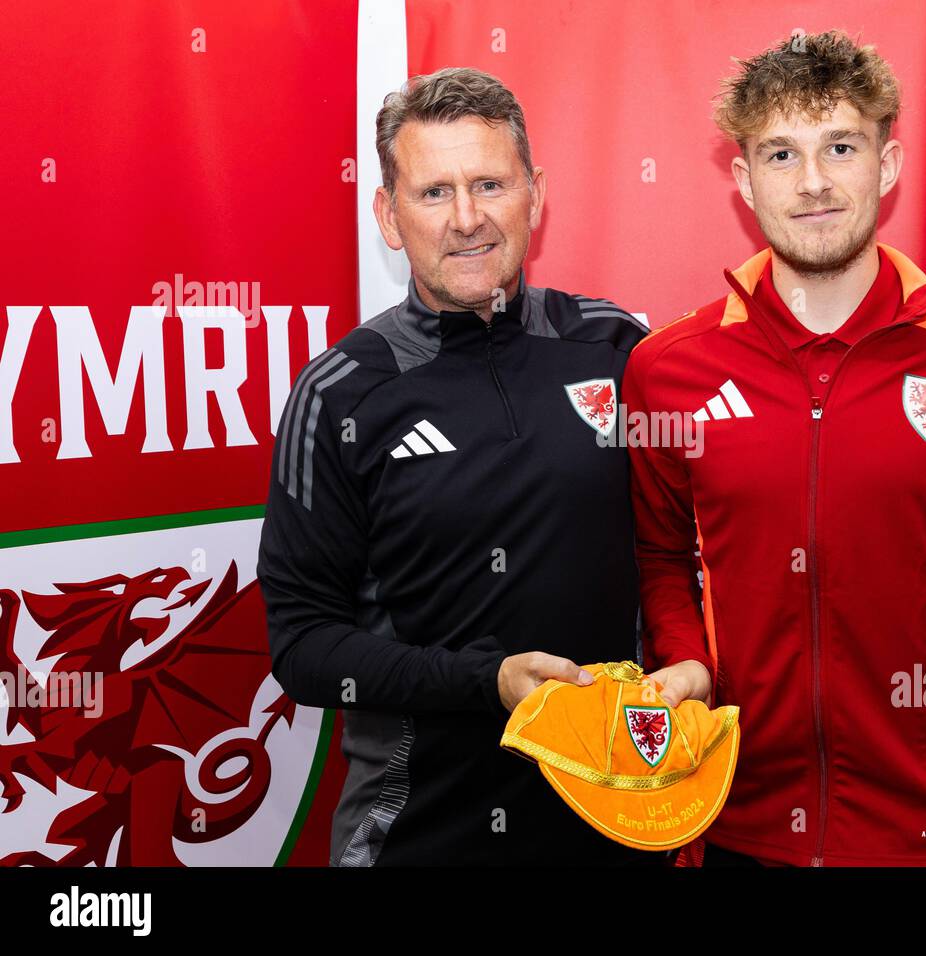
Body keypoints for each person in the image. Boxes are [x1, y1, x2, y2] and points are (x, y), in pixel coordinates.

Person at [624, 31, 926, 866]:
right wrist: (689, 662)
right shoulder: (667, 370)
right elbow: (661, 556)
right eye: (779, 154)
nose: (811, 183)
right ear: (742, 179)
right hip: (737, 832)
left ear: (889, 162)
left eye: (840, 146)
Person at [257, 67, 656, 865]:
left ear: (535, 197)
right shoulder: (339, 393)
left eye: (489, 184)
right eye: (434, 192)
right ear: (389, 216)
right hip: (421, 833)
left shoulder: (618, 346)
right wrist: (489, 682)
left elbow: (687, 558)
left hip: (624, 822)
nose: (468, 219)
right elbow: (302, 647)